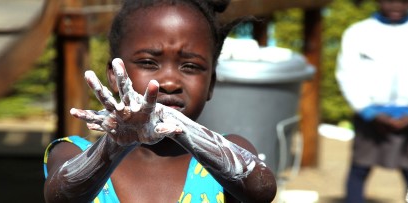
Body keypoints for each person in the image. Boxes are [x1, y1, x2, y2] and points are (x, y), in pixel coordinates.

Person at [43, 0, 277, 202]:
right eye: (148, 63)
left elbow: (262, 190)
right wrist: (115, 145)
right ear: (114, 76)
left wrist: (178, 123)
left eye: (191, 66)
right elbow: (62, 195)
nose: (169, 81)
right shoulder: (72, 151)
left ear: (211, 85)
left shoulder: (227, 154)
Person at [335, 0, 408, 202]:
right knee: (360, 167)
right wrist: (368, 111)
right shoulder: (358, 32)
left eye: (403, 1)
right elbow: (347, 74)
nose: (396, 5)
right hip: (370, 114)